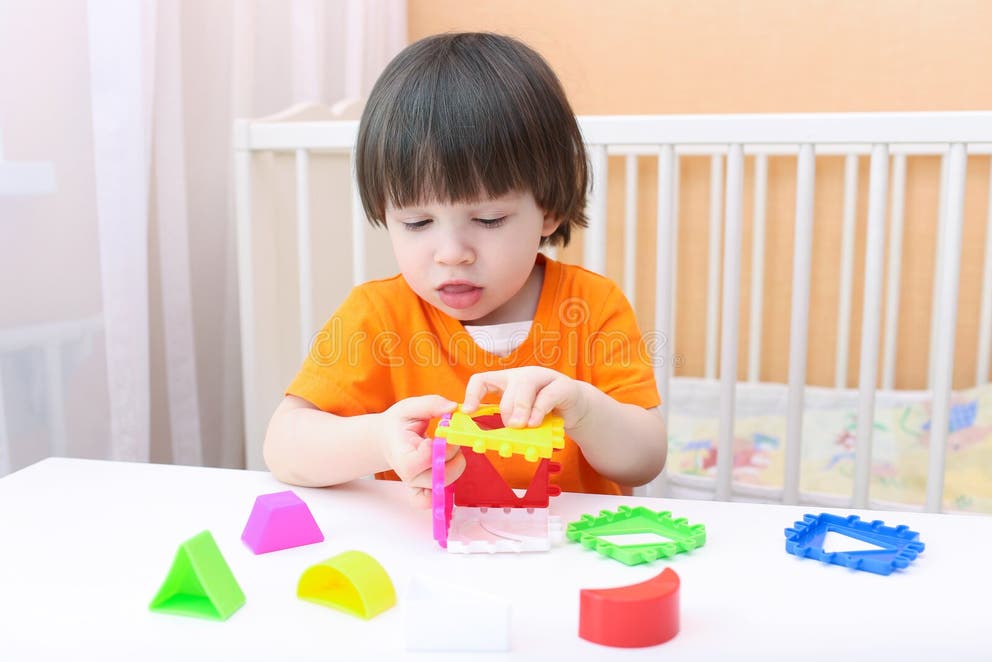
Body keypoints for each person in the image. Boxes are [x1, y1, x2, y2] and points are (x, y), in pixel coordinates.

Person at [263, 32, 666, 507]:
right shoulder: (377, 315)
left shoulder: (591, 306)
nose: (451, 253)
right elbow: (284, 445)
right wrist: (378, 438)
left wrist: (584, 410)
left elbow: (646, 458)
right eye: (417, 222)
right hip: (426, 555)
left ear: (550, 208)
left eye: (488, 219)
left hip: (566, 557)